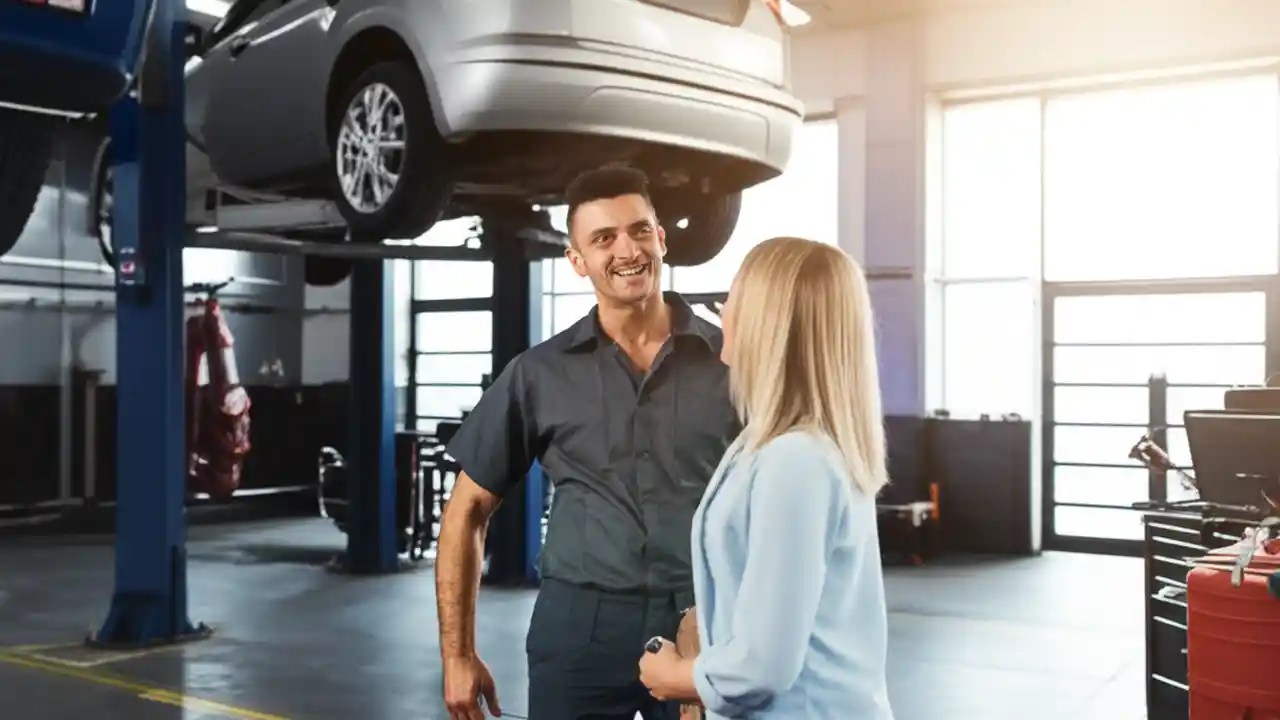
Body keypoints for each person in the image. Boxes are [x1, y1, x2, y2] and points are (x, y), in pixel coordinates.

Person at [435, 164, 741, 720]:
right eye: (603, 238)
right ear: (577, 261)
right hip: (580, 630)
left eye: (640, 230)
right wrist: (457, 653)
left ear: (662, 239)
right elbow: (466, 510)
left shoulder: (734, 363)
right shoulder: (539, 374)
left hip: (706, 623)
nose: (628, 249)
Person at [637, 236, 896, 719]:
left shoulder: (795, 460)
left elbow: (762, 665)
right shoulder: (772, 444)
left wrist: (673, 676)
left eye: (735, 294)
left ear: (770, 320)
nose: (721, 307)